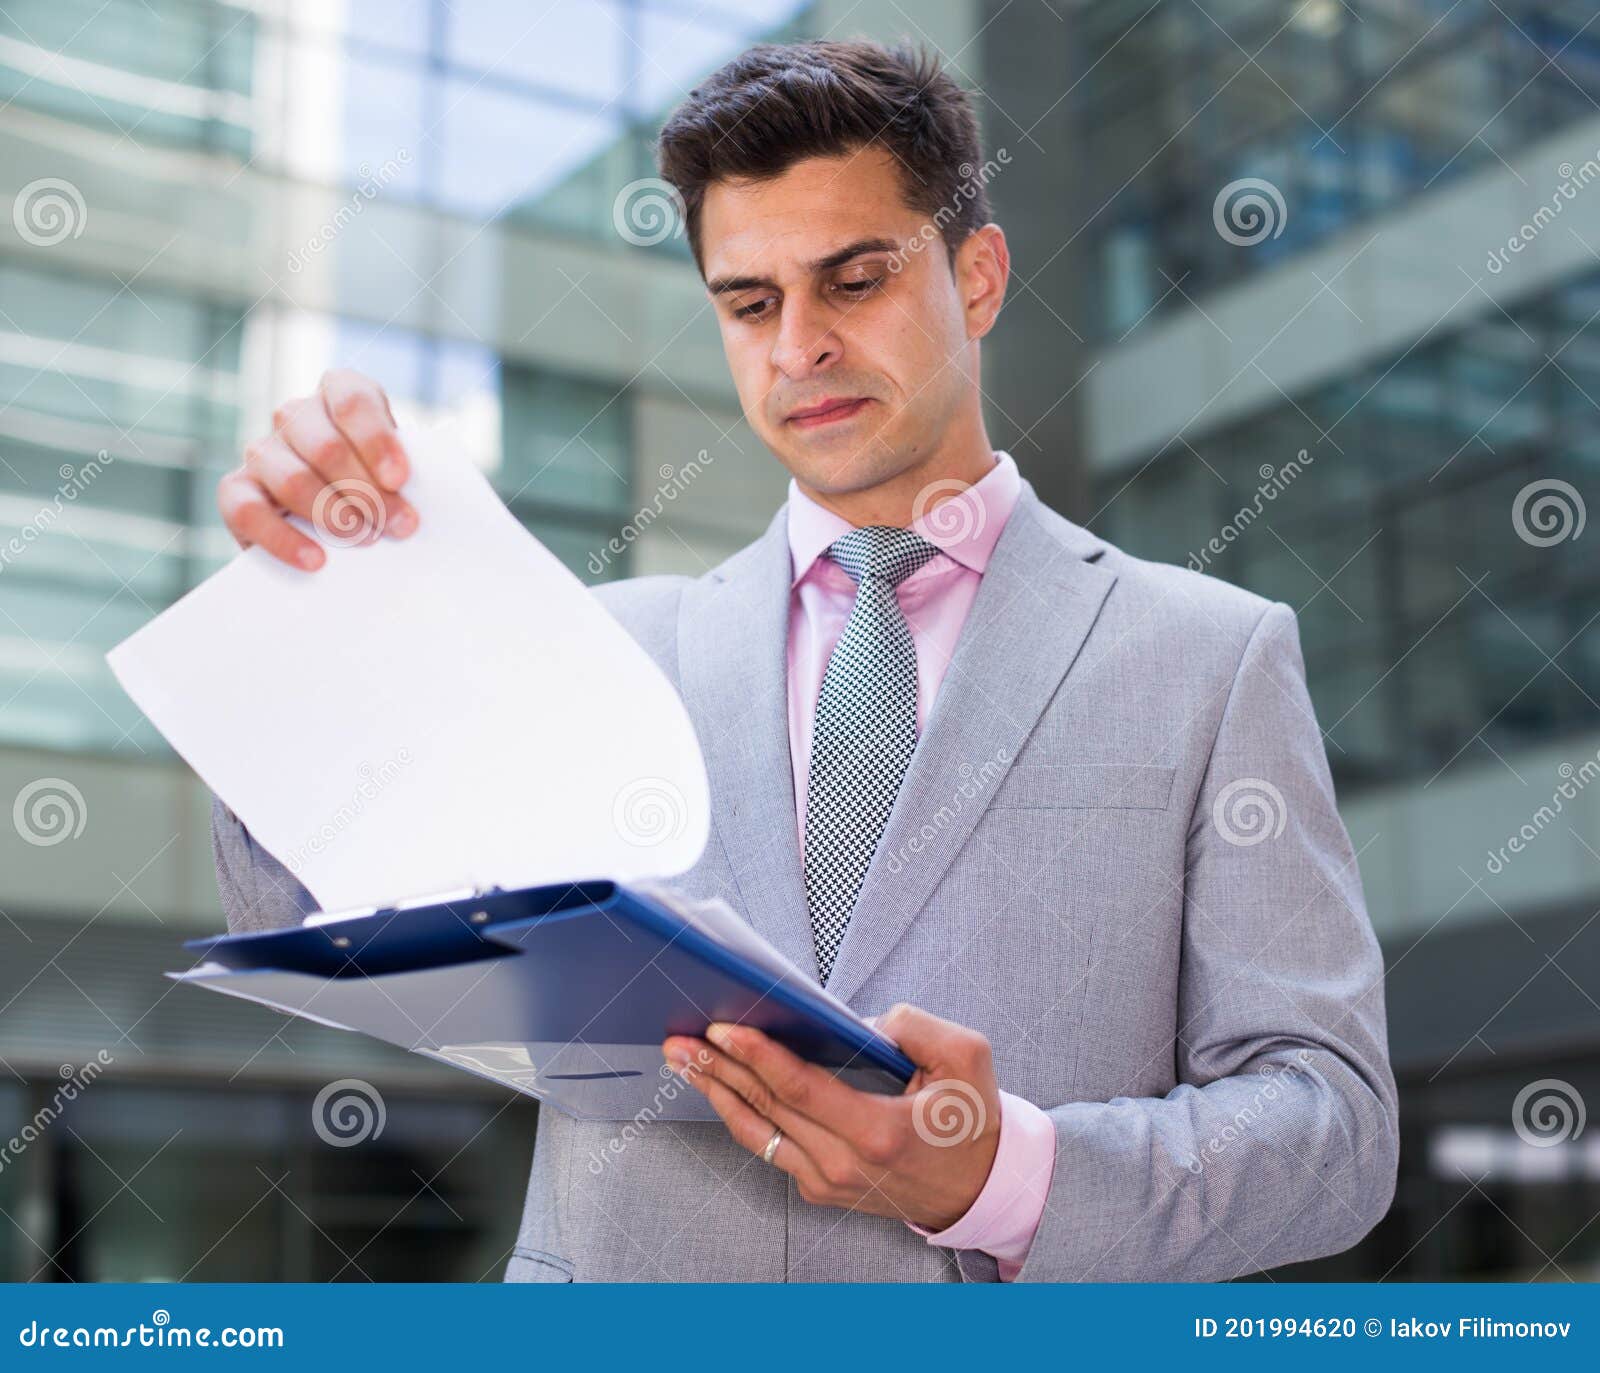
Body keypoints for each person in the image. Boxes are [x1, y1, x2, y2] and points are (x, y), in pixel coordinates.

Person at [211, 39, 1397, 1283]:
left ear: (978, 277)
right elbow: (322, 924)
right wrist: (318, 625)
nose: (798, 347)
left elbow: (1332, 1128)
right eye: (750, 303)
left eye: (855, 280)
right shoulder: (601, 649)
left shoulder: (1209, 659)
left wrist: (1003, 1175)